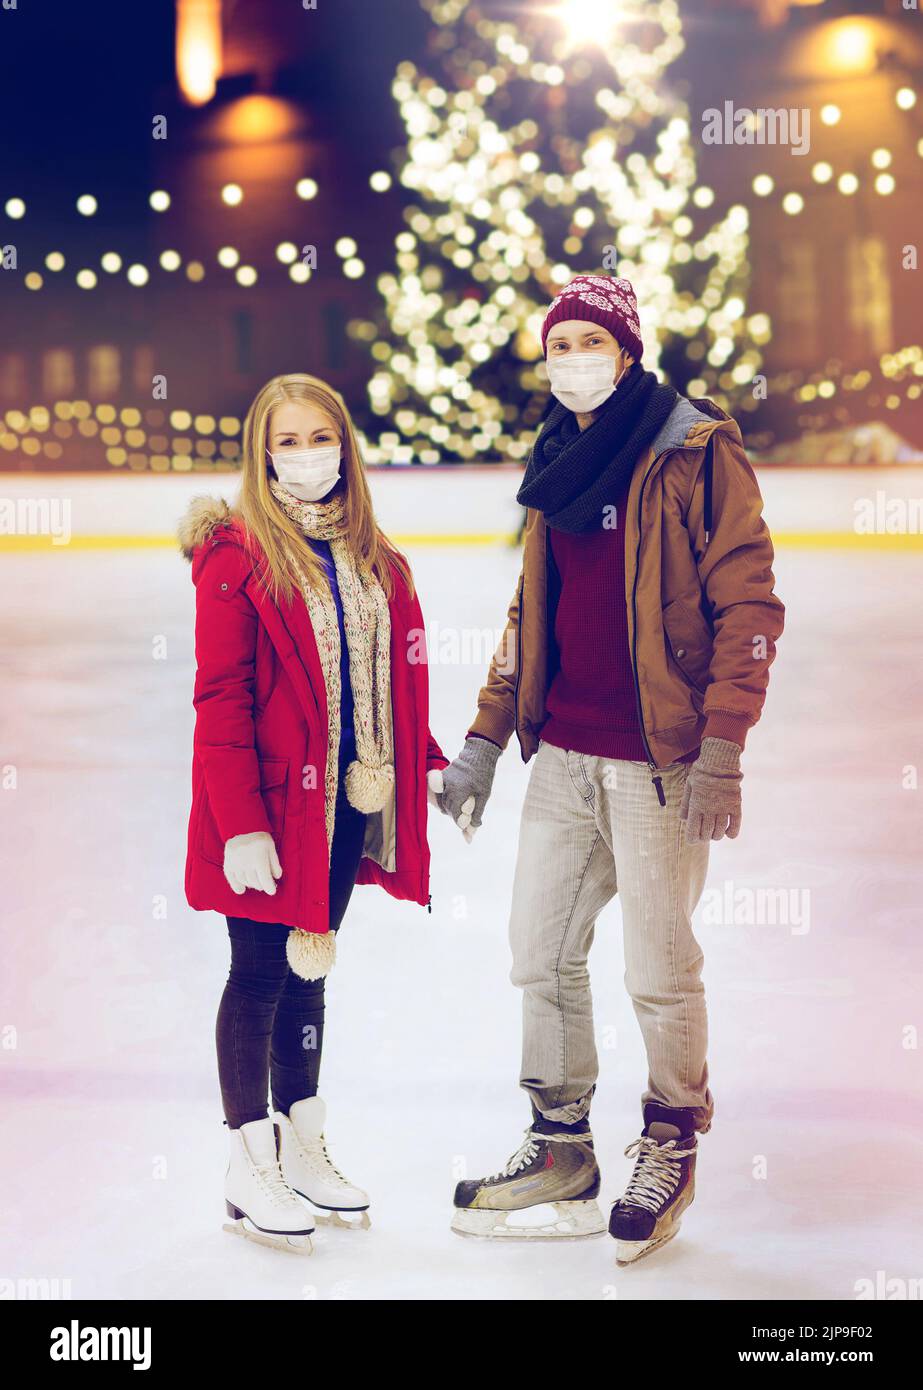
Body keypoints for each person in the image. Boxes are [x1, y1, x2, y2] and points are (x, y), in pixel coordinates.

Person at [436, 274, 785, 1263]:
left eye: (590, 341)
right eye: (557, 346)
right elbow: (529, 618)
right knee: (536, 952)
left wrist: (720, 746)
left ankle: (669, 1138)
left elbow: (748, 608)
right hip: (565, 756)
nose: (571, 359)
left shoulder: (694, 451)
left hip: (658, 761)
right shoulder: (556, 459)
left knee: (657, 968)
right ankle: (560, 1146)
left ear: (627, 353)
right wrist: (481, 738)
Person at [178, 373, 447, 1254]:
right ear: (262, 452)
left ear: (345, 445)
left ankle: (301, 1142)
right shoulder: (237, 555)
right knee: (256, 974)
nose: (305, 456)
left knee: (309, 970)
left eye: (318, 437)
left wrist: (428, 770)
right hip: (265, 811)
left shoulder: (374, 557)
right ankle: (244, 1157)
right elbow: (220, 697)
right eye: (285, 442)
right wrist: (240, 823)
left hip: (341, 804)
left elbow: (396, 687)